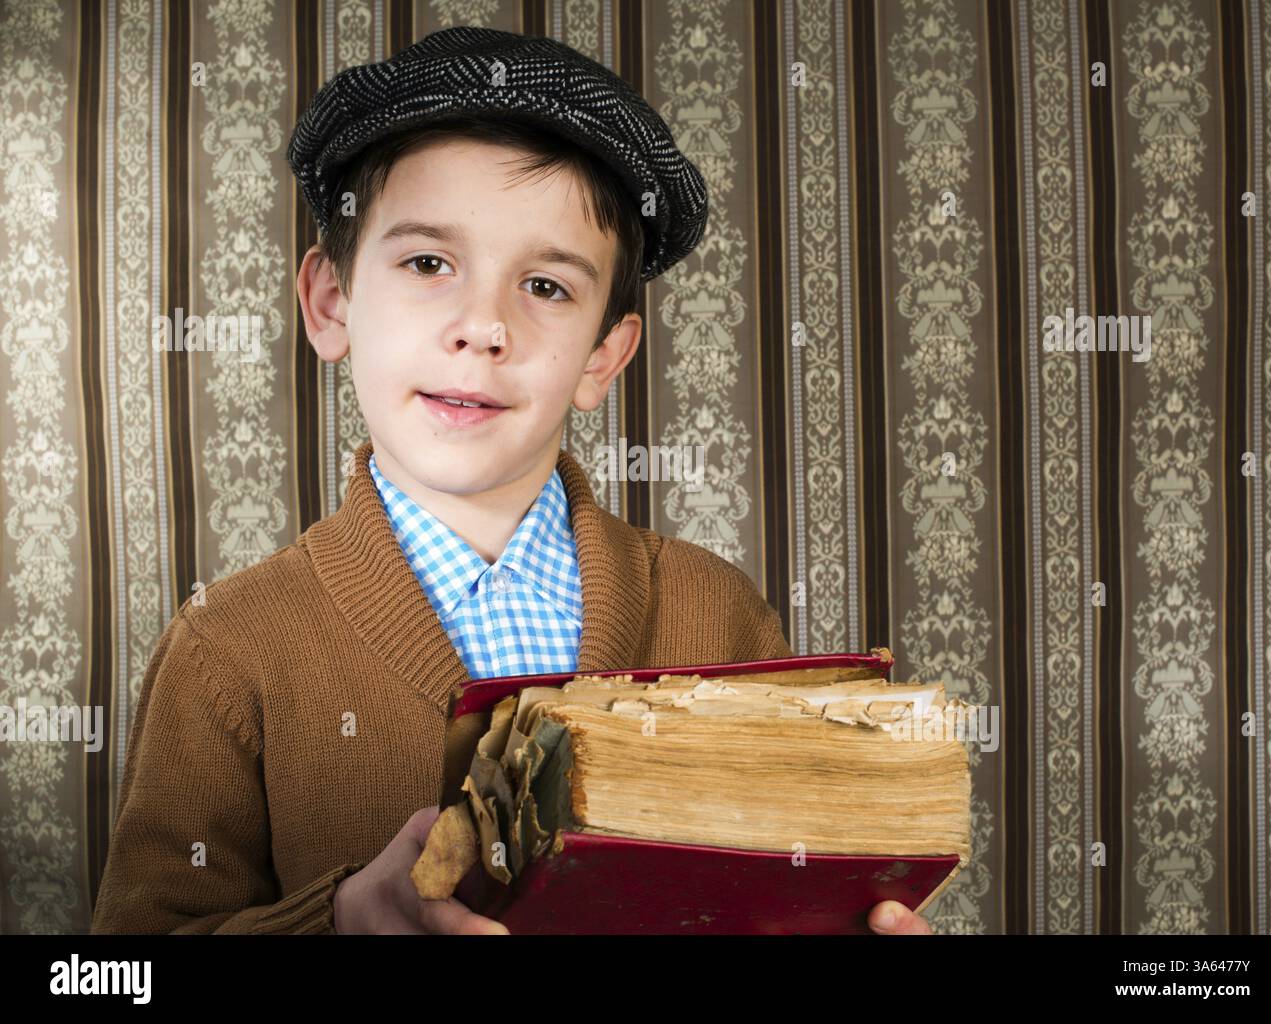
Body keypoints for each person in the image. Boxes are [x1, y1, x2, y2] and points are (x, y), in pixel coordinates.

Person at [90, 26, 931, 937]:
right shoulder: (229, 649)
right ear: (331, 303)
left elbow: (777, 887)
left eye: (545, 286)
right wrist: (335, 923)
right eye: (426, 263)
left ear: (603, 357)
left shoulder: (718, 610)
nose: (483, 327)